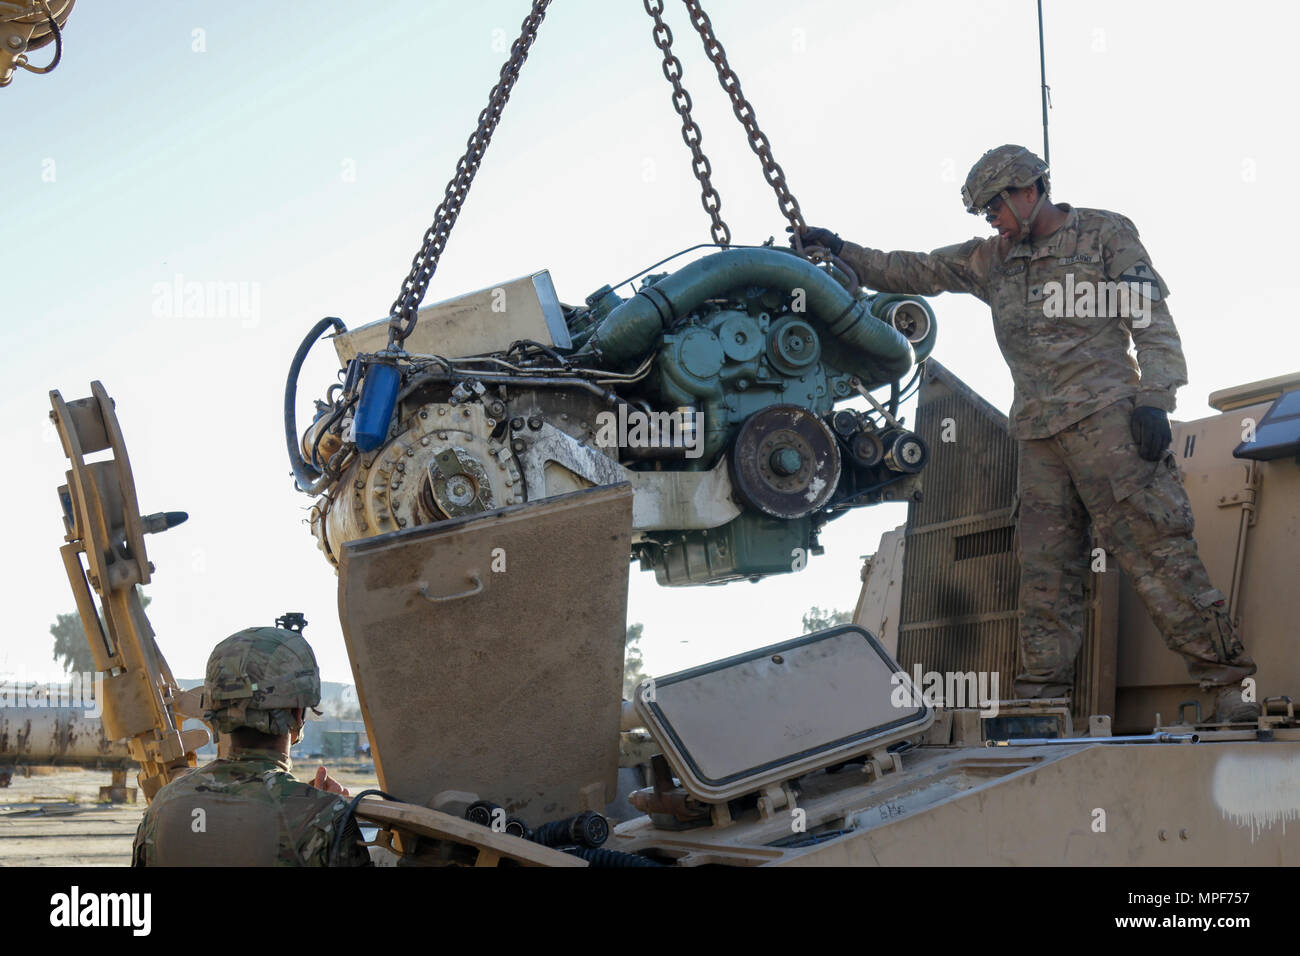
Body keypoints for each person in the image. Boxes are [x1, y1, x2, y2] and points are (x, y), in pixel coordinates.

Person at [794, 144, 1258, 723]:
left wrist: (1157, 399)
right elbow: (915, 268)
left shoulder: (1104, 234)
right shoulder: (994, 259)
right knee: (1044, 579)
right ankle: (1042, 706)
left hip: (1111, 427)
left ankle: (1231, 690)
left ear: (1030, 188)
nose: (992, 220)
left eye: (996, 207)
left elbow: (1151, 317)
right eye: (985, 213)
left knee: (1161, 557)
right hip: (1039, 440)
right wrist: (842, 252)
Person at [131, 625, 372, 865]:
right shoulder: (322, 818)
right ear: (298, 714)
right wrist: (329, 811)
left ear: (215, 709)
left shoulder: (161, 806)